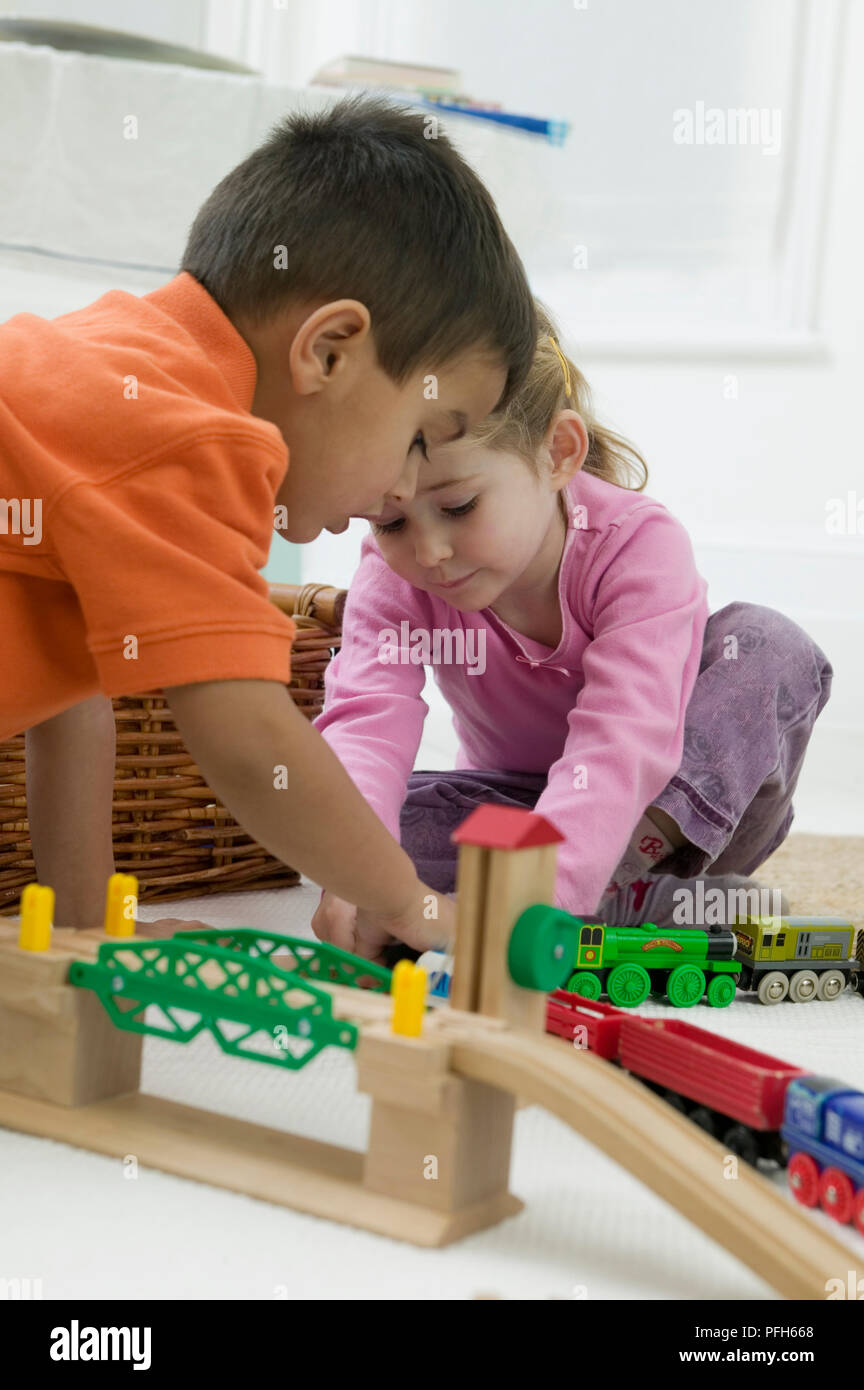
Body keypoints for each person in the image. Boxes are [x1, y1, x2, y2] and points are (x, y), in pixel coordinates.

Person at [0, 95, 537, 949]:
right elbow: (246, 733)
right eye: (419, 438)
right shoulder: (191, 437)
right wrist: (409, 903)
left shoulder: (110, 362)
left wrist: (82, 927)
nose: (404, 491)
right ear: (329, 352)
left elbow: (69, 700)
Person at [313, 302, 832, 958]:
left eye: (458, 506)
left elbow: (624, 743)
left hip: (679, 811)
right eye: (389, 522)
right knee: (333, 813)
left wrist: (521, 908)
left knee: (769, 642)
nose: (430, 551)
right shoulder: (394, 577)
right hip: (515, 811)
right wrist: (357, 877)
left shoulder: (637, 545)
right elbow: (366, 720)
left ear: (558, 453)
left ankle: (582, 895)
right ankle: (630, 910)